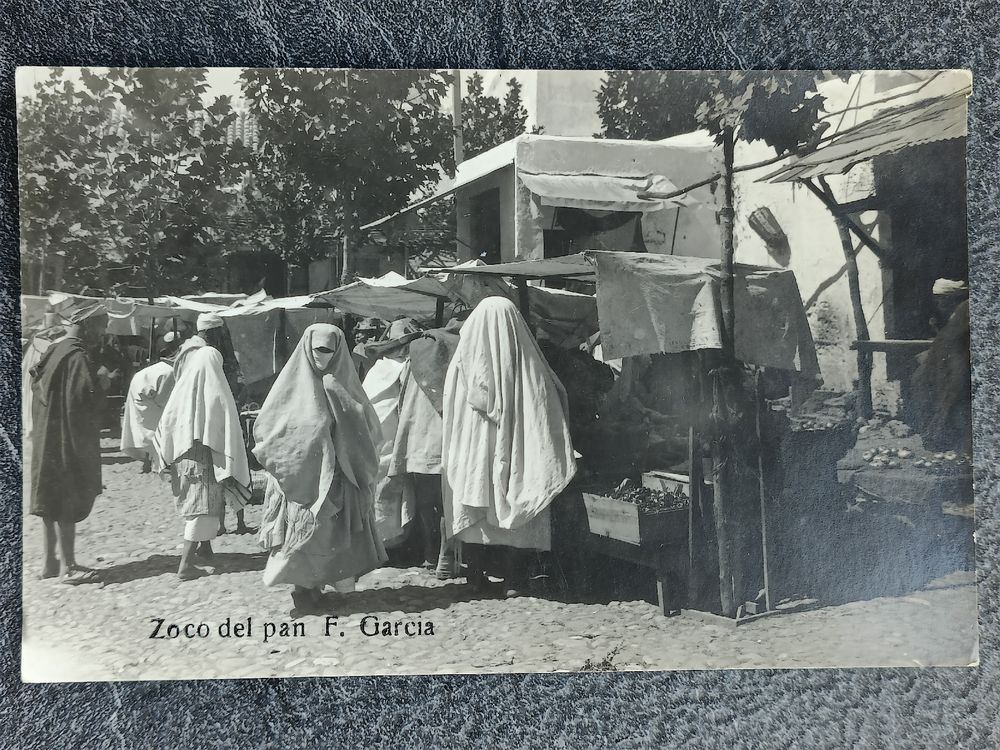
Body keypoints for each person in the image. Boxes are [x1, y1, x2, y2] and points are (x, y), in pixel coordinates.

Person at [441, 297, 577, 598]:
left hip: (473, 454)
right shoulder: (526, 361)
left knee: (475, 507)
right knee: (515, 498)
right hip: (516, 450)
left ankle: (475, 577)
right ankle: (514, 579)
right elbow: (548, 402)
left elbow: (450, 411)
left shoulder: (462, 363)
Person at [254, 324, 387, 616]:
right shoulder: (291, 385)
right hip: (299, 477)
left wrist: (344, 425)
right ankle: (301, 589)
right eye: (317, 350)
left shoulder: (344, 383)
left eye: (329, 350)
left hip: (339, 475)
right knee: (302, 533)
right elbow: (269, 426)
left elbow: (368, 426)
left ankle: (319, 584)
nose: (322, 357)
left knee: (329, 534)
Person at [153, 346, 251, 580]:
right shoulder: (215, 389)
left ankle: (205, 548)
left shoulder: (183, 389)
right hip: (202, 459)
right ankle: (185, 565)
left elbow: (168, 424)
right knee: (202, 509)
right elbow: (223, 425)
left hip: (182, 457)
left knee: (200, 505)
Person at [28, 304, 106, 584]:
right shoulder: (78, 357)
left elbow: (36, 388)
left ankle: (50, 562)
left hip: (46, 437)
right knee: (66, 497)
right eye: (103, 325)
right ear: (89, 326)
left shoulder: (53, 350)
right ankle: (69, 567)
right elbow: (82, 401)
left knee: (49, 496)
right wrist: (104, 385)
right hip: (66, 439)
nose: (104, 332)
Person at [194, 312, 251, 534]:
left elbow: (241, 386)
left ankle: (236, 522)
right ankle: (225, 523)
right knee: (226, 469)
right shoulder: (207, 356)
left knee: (228, 469)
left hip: (226, 419)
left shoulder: (217, 356)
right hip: (218, 421)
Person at [120, 332, 182, 473]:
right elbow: (165, 401)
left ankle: (148, 460)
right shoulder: (169, 372)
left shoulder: (154, 369)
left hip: (139, 405)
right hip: (151, 407)